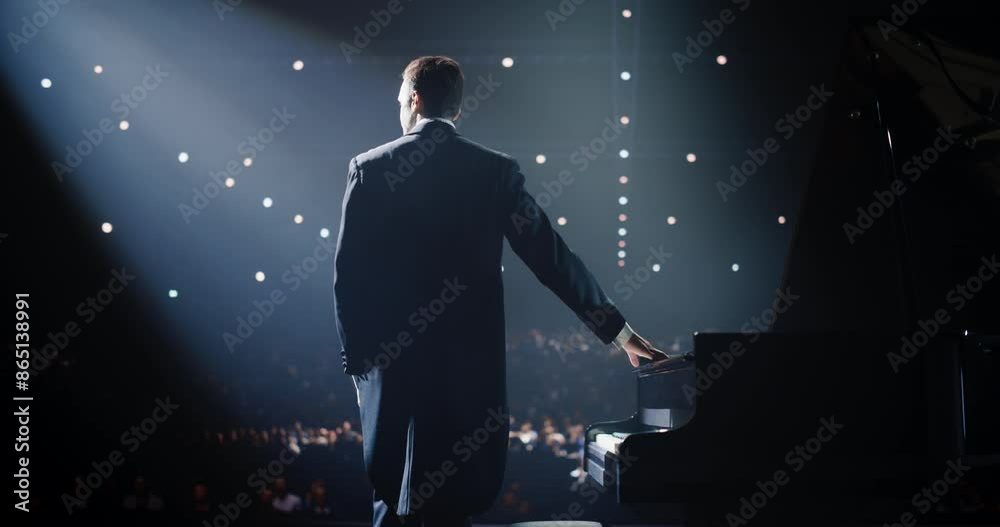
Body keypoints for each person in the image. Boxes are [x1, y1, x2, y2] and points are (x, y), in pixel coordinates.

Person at [334, 55, 666, 527]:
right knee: (452, 503)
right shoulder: (494, 171)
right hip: (468, 372)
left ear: (414, 99)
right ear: (457, 109)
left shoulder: (369, 167)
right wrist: (619, 332)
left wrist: (358, 363)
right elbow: (552, 258)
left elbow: (349, 278)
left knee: (393, 500)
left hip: (394, 369)